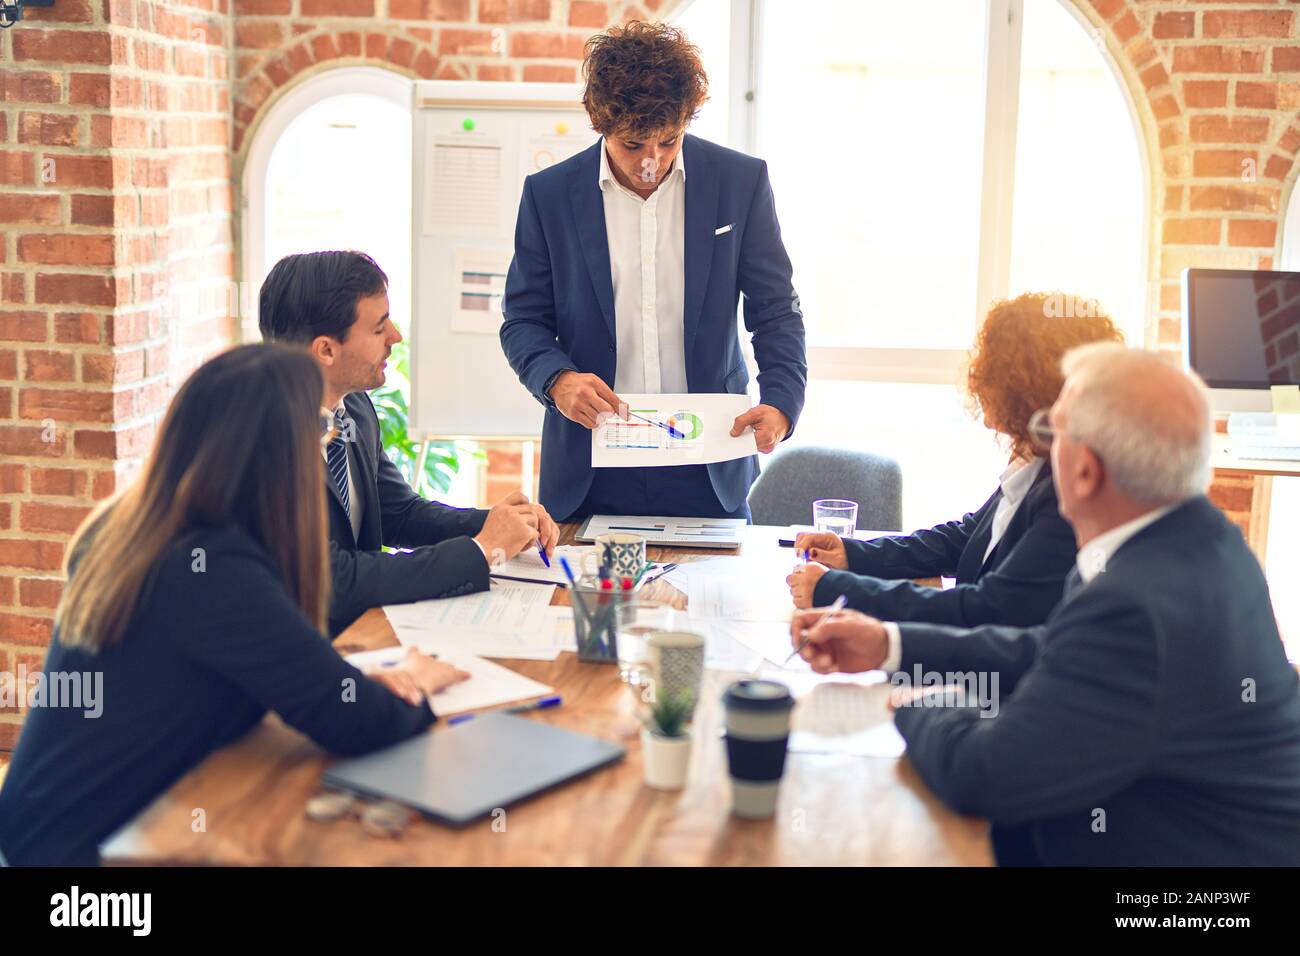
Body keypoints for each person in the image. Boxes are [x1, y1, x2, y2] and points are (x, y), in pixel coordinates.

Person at [790, 345, 1300, 865]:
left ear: (1084, 473)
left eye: (1053, 433)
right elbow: (1055, 649)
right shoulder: (1207, 542)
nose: (1037, 451)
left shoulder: (1134, 605)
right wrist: (890, 646)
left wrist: (916, 699)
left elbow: (984, 775)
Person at [0, 345, 471, 866]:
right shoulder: (210, 568)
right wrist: (415, 682)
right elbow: (359, 722)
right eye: (317, 434)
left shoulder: (142, 526)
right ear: (277, 458)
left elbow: (284, 678)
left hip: (46, 830)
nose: (328, 441)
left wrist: (341, 686)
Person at [500, 21, 807, 522]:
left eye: (668, 142)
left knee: (716, 603)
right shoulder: (548, 195)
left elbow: (776, 310)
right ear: (600, 123)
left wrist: (782, 402)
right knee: (580, 604)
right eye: (633, 145)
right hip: (590, 465)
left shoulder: (740, 182)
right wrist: (557, 380)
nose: (652, 162)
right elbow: (523, 320)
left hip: (710, 460)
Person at [259, 251, 558, 635]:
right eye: (379, 327)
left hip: (359, 636)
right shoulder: (266, 441)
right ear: (326, 350)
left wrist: (499, 523)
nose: (396, 337)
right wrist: (483, 551)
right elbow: (334, 581)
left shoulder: (355, 408)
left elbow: (398, 513)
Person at [788, 293, 1122, 627]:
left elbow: (986, 608)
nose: (978, 376)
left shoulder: (1067, 493)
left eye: (990, 365)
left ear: (1020, 385)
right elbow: (964, 538)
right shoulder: (1035, 461)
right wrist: (854, 554)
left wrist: (839, 589)